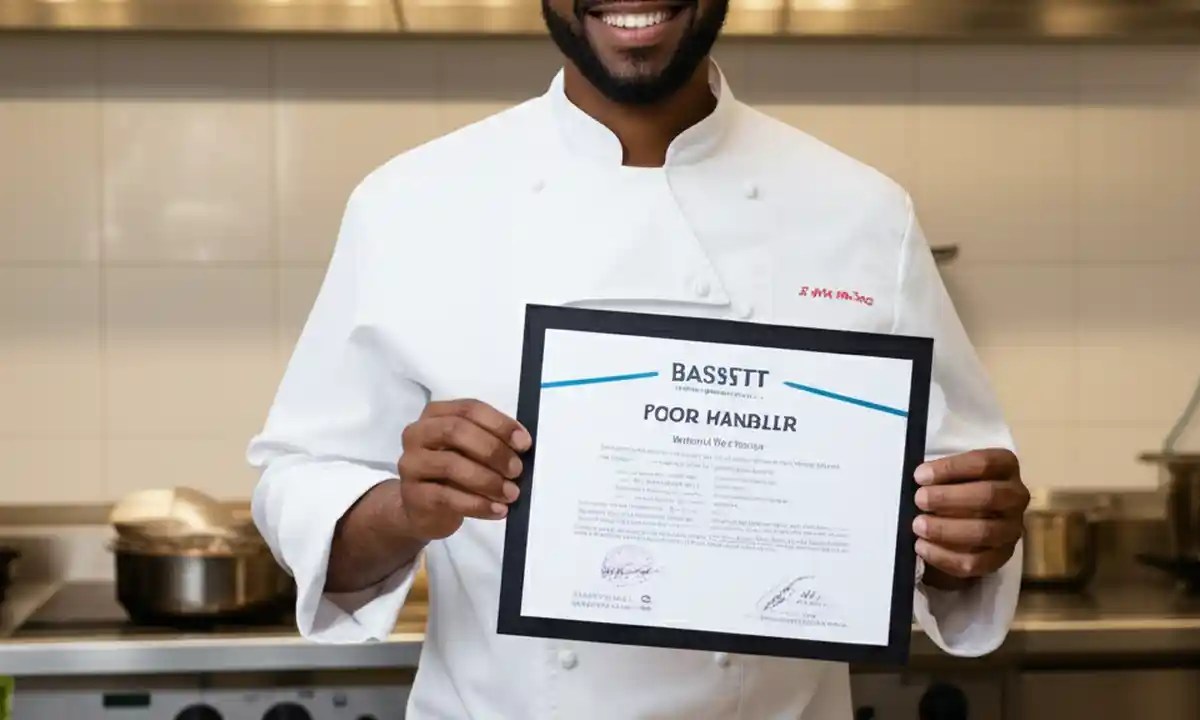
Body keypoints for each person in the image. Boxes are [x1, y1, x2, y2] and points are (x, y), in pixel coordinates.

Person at [247, 0, 1031, 717]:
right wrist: (406, 509)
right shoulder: (413, 204)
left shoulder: (862, 214)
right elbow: (300, 481)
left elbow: (957, 521)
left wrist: (972, 540)